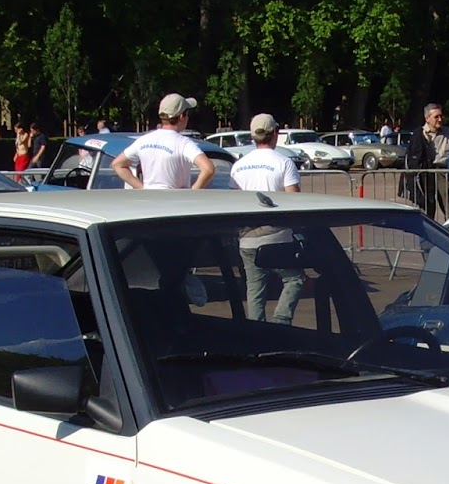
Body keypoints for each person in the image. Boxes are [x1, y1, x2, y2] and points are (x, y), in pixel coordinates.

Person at [232, 114, 305, 324]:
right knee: (294, 279)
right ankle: (281, 322)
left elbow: (233, 200)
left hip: (247, 238)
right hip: (277, 236)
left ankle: (257, 333)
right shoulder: (284, 163)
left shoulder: (239, 166)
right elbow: (295, 201)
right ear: (275, 134)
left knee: (255, 290)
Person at [113, 93, 215, 189]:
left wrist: (141, 188)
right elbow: (208, 169)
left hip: (149, 202)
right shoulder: (183, 143)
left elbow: (118, 164)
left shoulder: (144, 140)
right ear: (181, 117)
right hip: (175, 204)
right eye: (187, 113)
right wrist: (192, 192)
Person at [403, 102, 449, 220]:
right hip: (425, 174)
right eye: (436, 117)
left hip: (443, 172)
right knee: (427, 209)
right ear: (427, 118)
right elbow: (412, 157)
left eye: (441, 116)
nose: (440, 119)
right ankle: (426, 237)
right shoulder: (419, 134)